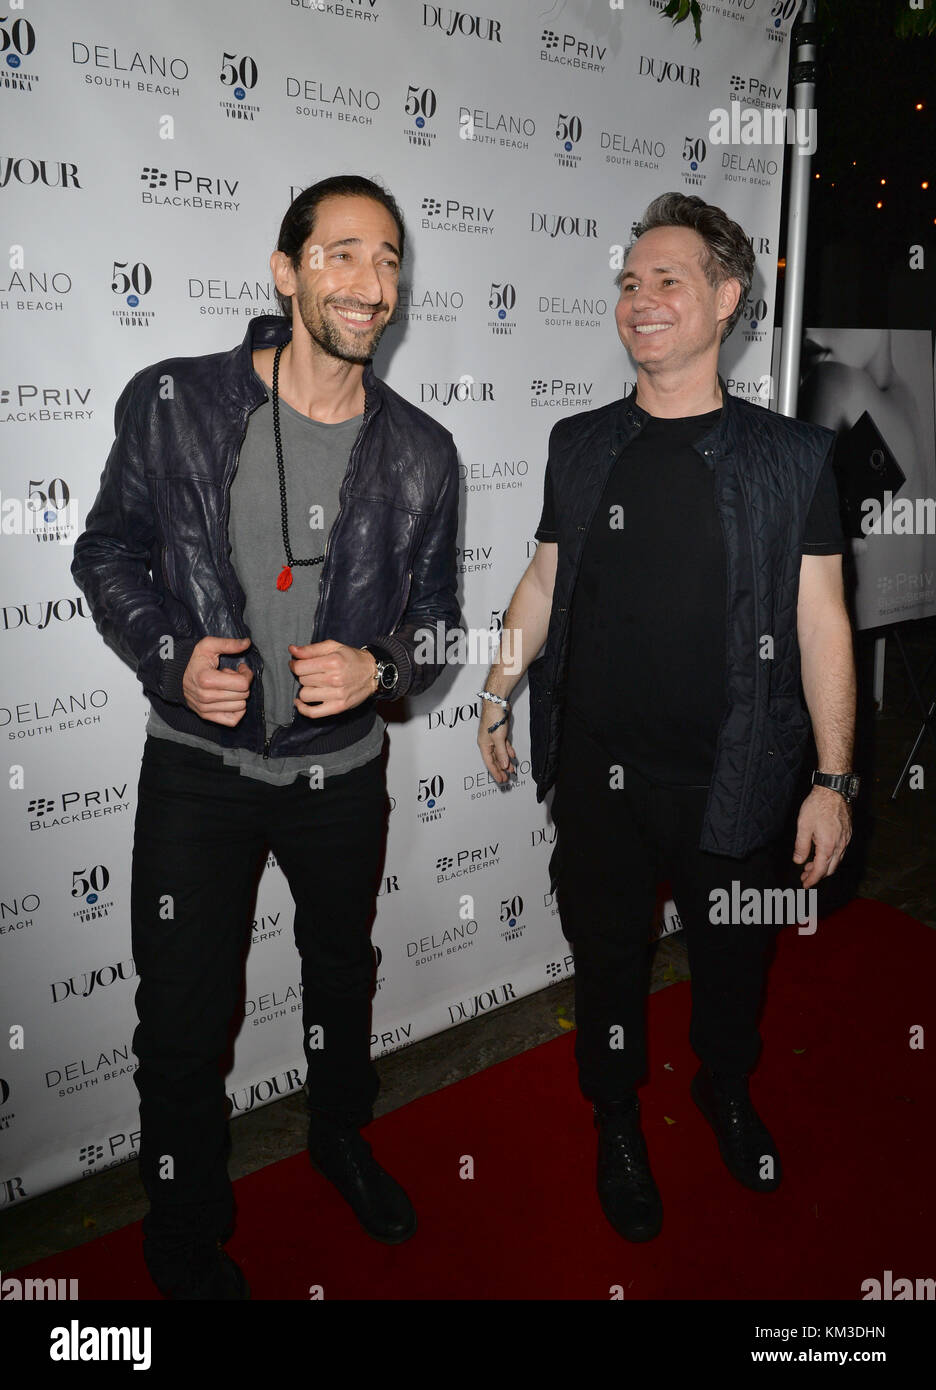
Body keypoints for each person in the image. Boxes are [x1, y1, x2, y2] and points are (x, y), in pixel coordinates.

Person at [72, 175, 461, 1297]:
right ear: (286, 272)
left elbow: (433, 622)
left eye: (388, 258)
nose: (370, 283)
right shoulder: (172, 402)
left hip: (342, 780)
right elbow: (108, 554)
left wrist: (379, 667)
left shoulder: (423, 453)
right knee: (183, 1018)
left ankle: (339, 1138)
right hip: (198, 773)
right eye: (341, 254)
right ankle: (184, 1231)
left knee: (341, 979)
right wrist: (169, 657)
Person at [477, 192, 856, 1242]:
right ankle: (615, 1119)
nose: (640, 301)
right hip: (601, 777)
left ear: (729, 298)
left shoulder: (792, 459)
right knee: (606, 961)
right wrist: (497, 686)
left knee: (735, 961)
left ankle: (725, 1090)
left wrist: (833, 780)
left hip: (739, 776)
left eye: (668, 279)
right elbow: (546, 581)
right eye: (629, 282)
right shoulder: (581, 443)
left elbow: (823, 623)